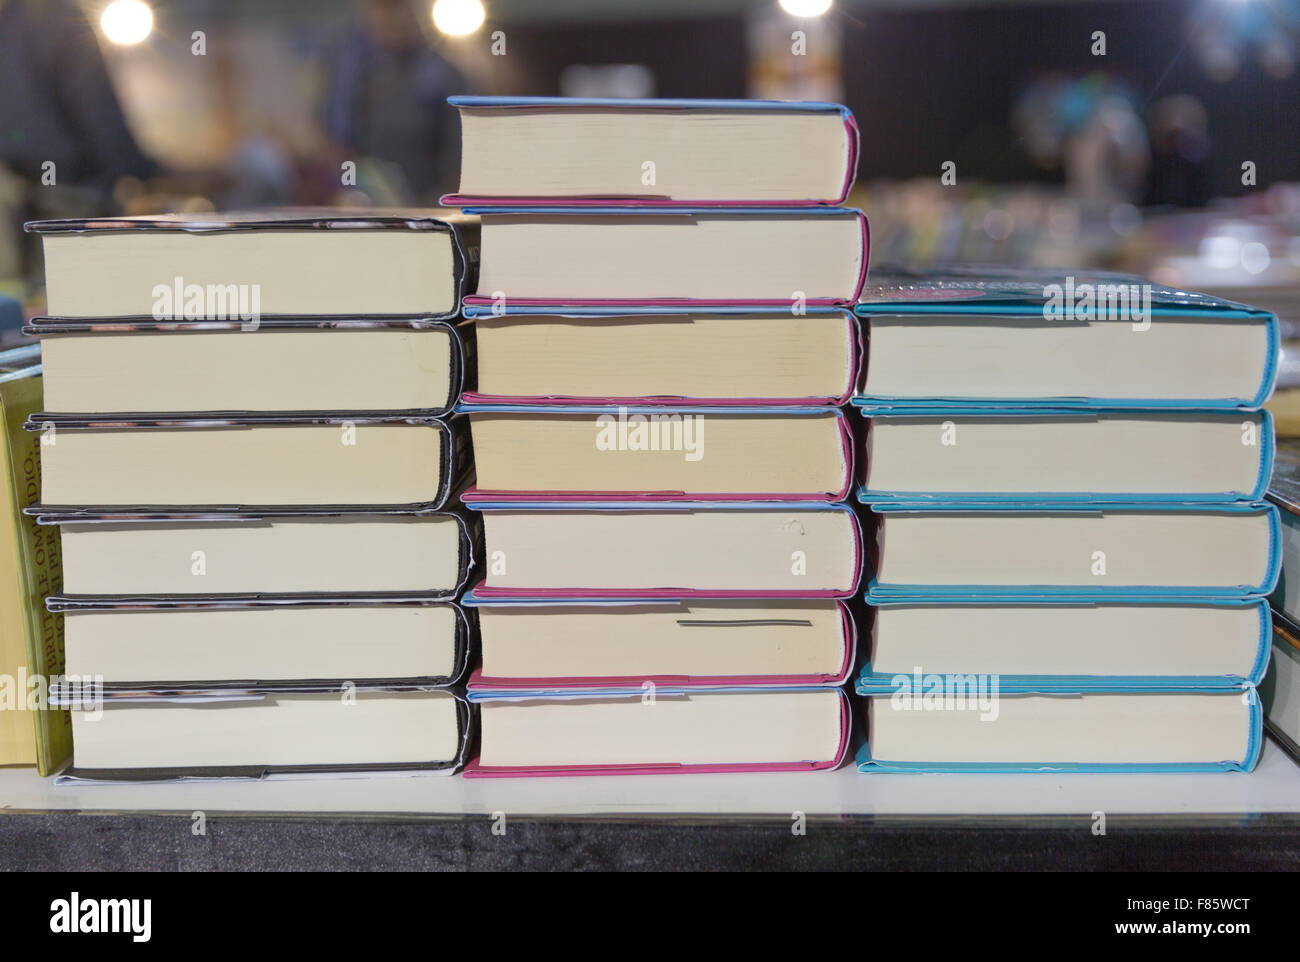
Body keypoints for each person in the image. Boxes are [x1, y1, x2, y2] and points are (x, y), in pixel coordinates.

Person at [321, 0, 467, 204]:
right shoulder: (351, 71)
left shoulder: (444, 76)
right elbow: (337, 142)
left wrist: (436, 204)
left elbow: (459, 158)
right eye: (381, 9)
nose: (392, 18)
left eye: (398, 7)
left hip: (427, 202)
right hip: (367, 201)